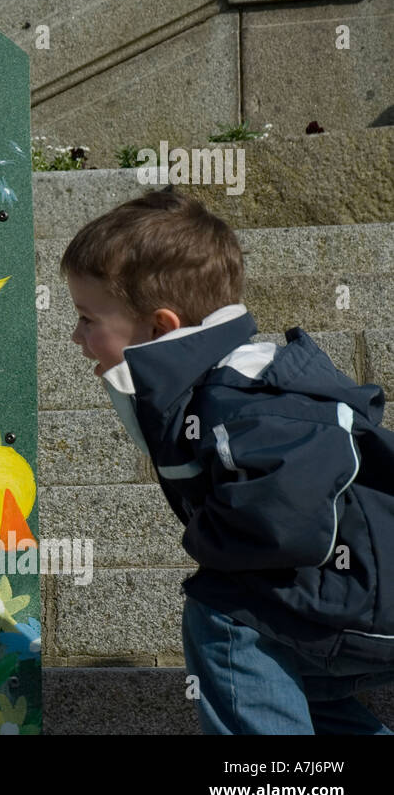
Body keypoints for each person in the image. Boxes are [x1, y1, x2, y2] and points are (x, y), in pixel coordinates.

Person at [61, 189, 394, 734]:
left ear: (162, 329)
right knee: (288, 675)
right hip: (348, 599)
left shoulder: (241, 396)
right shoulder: (209, 389)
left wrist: (206, 541)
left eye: (86, 318)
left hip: (362, 593)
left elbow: (288, 517)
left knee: (222, 610)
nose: (75, 336)